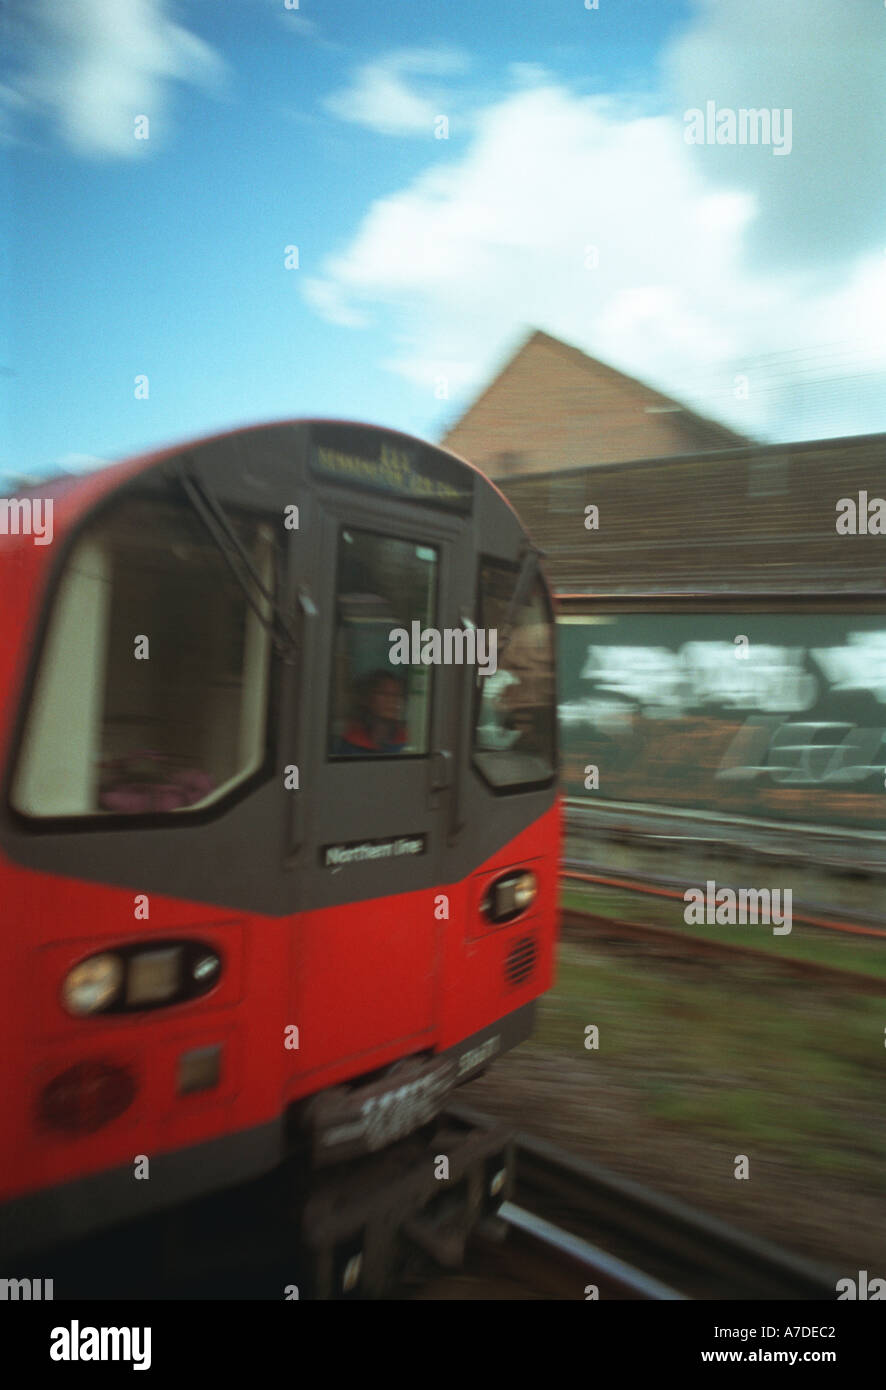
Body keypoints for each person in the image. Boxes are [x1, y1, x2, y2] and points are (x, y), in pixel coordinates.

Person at [335, 670, 409, 755]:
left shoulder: (403, 741)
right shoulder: (351, 743)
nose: (392, 700)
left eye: (397, 695)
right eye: (384, 693)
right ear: (367, 698)